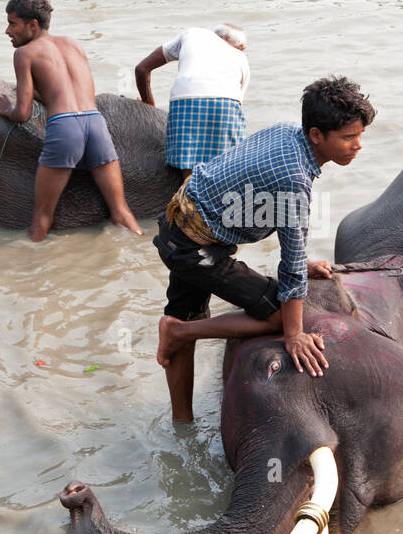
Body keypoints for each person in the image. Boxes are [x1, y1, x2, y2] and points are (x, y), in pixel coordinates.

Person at [153, 76, 374, 421]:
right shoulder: (295, 179)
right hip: (194, 245)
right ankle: (177, 331)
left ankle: (182, 420)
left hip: (182, 224)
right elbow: (291, 262)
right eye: (348, 137)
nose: (357, 145)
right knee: (276, 315)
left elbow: (259, 199)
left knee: (186, 312)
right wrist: (295, 334)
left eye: (359, 135)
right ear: (317, 135)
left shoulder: (288, 132)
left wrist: (303, 261)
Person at [0, 0, 143, 240]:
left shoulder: (24, 54)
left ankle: (33, 273)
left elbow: (22, 113)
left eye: (12, 23)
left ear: (33, 25)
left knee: (42, 218)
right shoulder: (74, 45)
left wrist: (6, 108)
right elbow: (74, 92)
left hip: (64, 128)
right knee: (121, 211)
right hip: (95, 123)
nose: (8, 31)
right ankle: (142, 250)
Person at [134, 25, 249, 180]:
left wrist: (149, 106)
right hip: (226, 102)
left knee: (188, 175)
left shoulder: (192, 33)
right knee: (228, 170)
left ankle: (186, 196)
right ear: (239, 46)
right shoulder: (240, 57)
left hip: (186, 99)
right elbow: (235, 103)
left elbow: (142, 69)